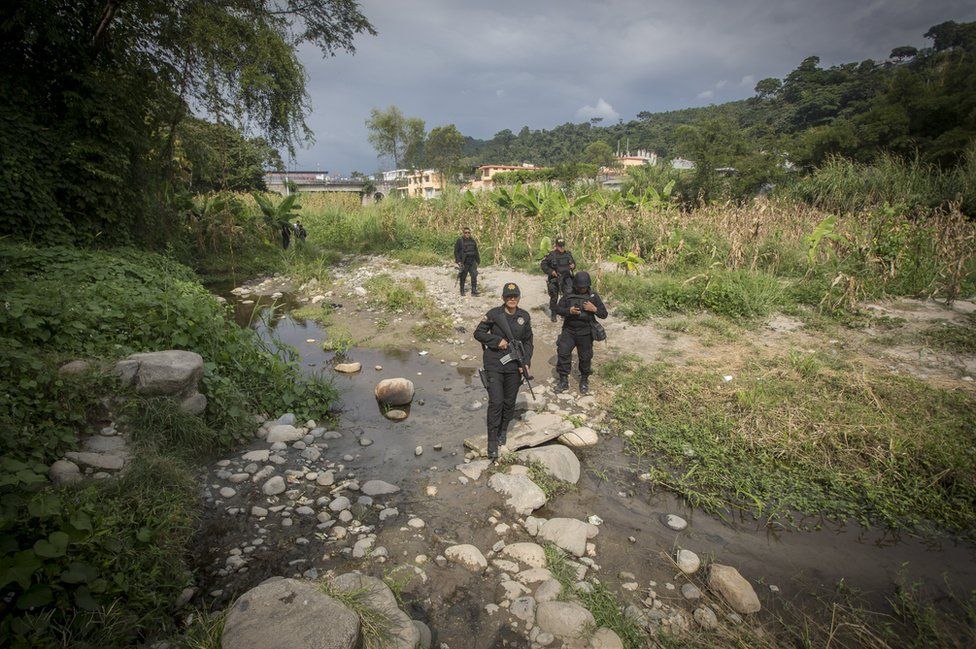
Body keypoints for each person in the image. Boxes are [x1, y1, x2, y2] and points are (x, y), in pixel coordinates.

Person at [474, 282, 534, 460]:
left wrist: (526, 362)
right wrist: (495, 341)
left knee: (509, 402)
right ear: (503, 298)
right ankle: (492, 443)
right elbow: (478, 333)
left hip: (515, 365)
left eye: (515, 296)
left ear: (519, 297)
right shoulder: (494, 314)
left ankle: (503, 431)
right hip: (494, 364)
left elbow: (529, 341)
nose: (512, 299)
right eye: (509, 296)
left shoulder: (524, 316)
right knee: (496, 402)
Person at [554, 271, 607, 394]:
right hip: (569, 330)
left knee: (585, 357)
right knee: (563, 353)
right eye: (580, 287)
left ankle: (584, 379)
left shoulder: (593, 296)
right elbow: (557, 309)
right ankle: (563, 380)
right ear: (575, 286)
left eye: (584, 287)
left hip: (586, 332)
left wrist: (594, 309)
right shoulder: (568, 294)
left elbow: (604, 314)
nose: (582, 289)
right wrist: (569, 311)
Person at [540, 237, 576, 321]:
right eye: (560, 246)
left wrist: (573, 266)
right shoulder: (551, 255)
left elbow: (573, 263)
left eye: (563, 246)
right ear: (556, 246)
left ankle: (565, 312)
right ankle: (553, 313)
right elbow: (543, 265)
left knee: (568, 295)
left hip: (566, 278)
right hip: (555, 279)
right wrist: (551, 271)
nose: (562, 248)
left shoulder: (568, 254)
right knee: (554, 296)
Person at [454, 227, 481, 296]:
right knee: (463, 276)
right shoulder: (460, 240)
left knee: (474, 275)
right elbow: (456, 251)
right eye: (466, 232)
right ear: (463, 233)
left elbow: (476, 251)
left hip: (472, 261)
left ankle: (474, 291)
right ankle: (462, 290)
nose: (467, 234)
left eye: (469, 232)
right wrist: (458, 261)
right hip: (464, 261)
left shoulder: (473, 240)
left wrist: (478, 260)